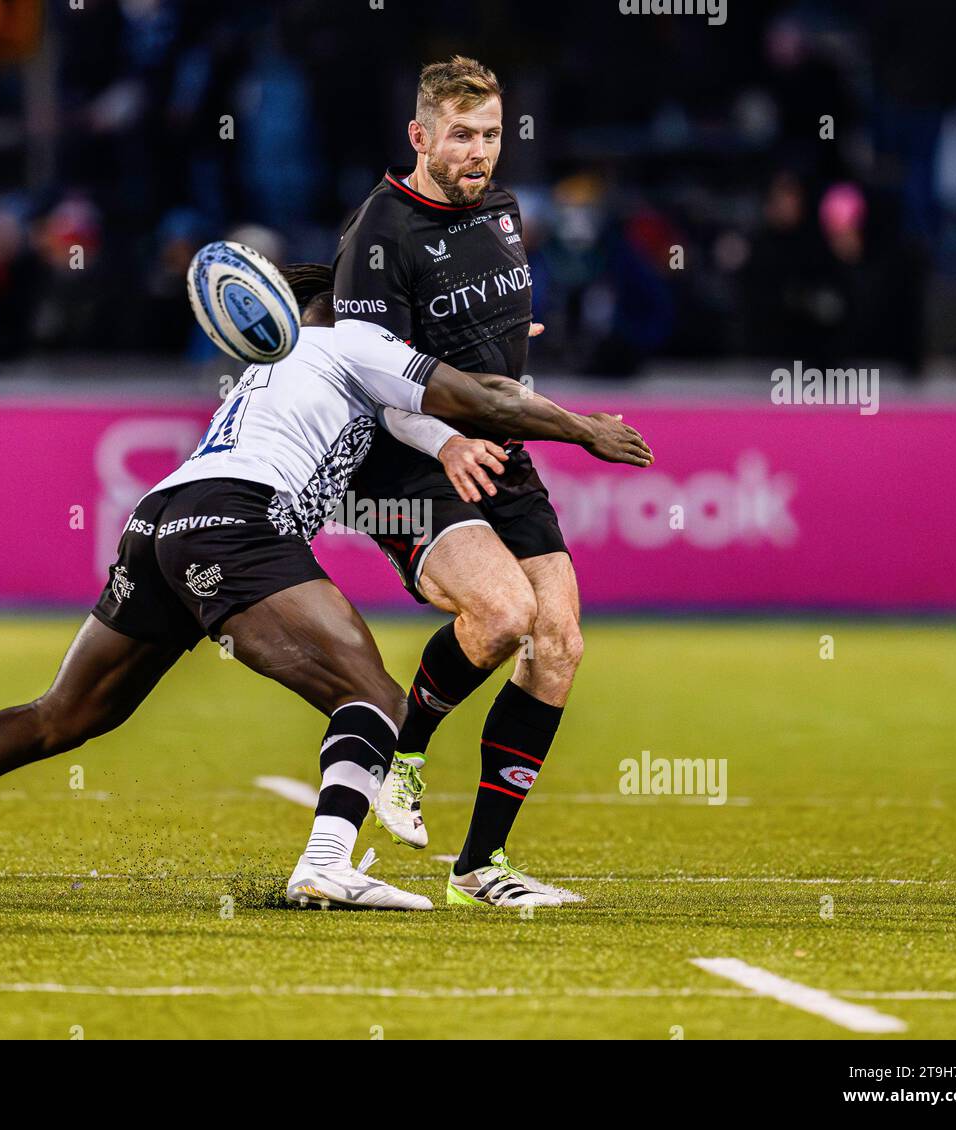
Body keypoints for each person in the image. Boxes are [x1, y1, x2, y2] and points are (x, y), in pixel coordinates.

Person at [0, 265, 651, 911]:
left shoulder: (272, 371)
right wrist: (579, 427)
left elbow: (424, 418)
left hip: (159, 518)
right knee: (376, 696)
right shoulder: (352, 341)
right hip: (239, 520)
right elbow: (469, 398)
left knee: (65, 714)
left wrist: (465, 399)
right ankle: (324, 864)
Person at [331, 56, 599, 902]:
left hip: (493, 447)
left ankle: (481, 866)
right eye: (461, 135)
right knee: (503, 612)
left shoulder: (507, 212)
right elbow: (372, 377)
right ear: (421, 136)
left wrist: (508, 347)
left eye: (490, 134)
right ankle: (400, 755)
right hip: (404, 460)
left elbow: (486, 327)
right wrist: (446, 439)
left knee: (557, 644)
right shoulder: (378, 233)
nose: (480, 151)